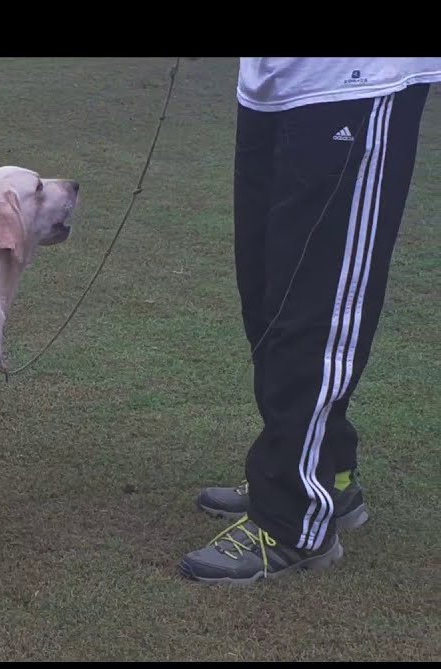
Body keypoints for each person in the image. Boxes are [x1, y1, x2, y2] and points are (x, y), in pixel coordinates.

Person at [179, 58, 441, 584]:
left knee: (317, 307)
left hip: (355, 82)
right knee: (267, 299)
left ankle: (293, 520)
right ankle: (327, 474)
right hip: (272, 84)